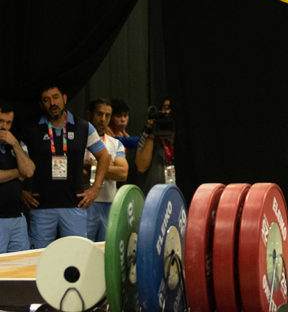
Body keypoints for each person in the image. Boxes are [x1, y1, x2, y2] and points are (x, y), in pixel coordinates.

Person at [21, 85, 111, 248]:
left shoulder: (83, 127)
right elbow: (19, 162)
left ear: (64, 98)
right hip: (41, 207)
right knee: (39, 257)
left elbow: (104, 156)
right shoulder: (31, 129)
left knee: (75, 255)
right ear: (41, 104)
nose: (52, 103)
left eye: (55, 97)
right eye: (46, 100)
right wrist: (21, 191)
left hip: (74, 205)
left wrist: (96, 188)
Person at [84, 99, 128, 242]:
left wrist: (89, 166)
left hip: (109, 204)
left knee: (106, 249)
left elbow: (122, 173)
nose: (103, 119)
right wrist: (109, 167)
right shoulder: (79, 141)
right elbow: (76, 171)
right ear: (90, 115)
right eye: (99, 114)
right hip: (85, 203)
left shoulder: (115, 143)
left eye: (107, 115)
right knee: (84, 248)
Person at [0, 100, 35, 253]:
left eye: (8, 123)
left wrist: (15, 144)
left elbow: (28, 171)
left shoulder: (15, 143)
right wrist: (16, 172)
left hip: (17, 218)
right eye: (0, 121)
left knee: (21, 263)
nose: (4, 127)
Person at [134, 103, 176, 194]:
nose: (167, 112)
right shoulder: (147, 135)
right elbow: (141, 167)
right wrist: (151, 135)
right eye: (165, 108)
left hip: (176, 194)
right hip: (153, 196)